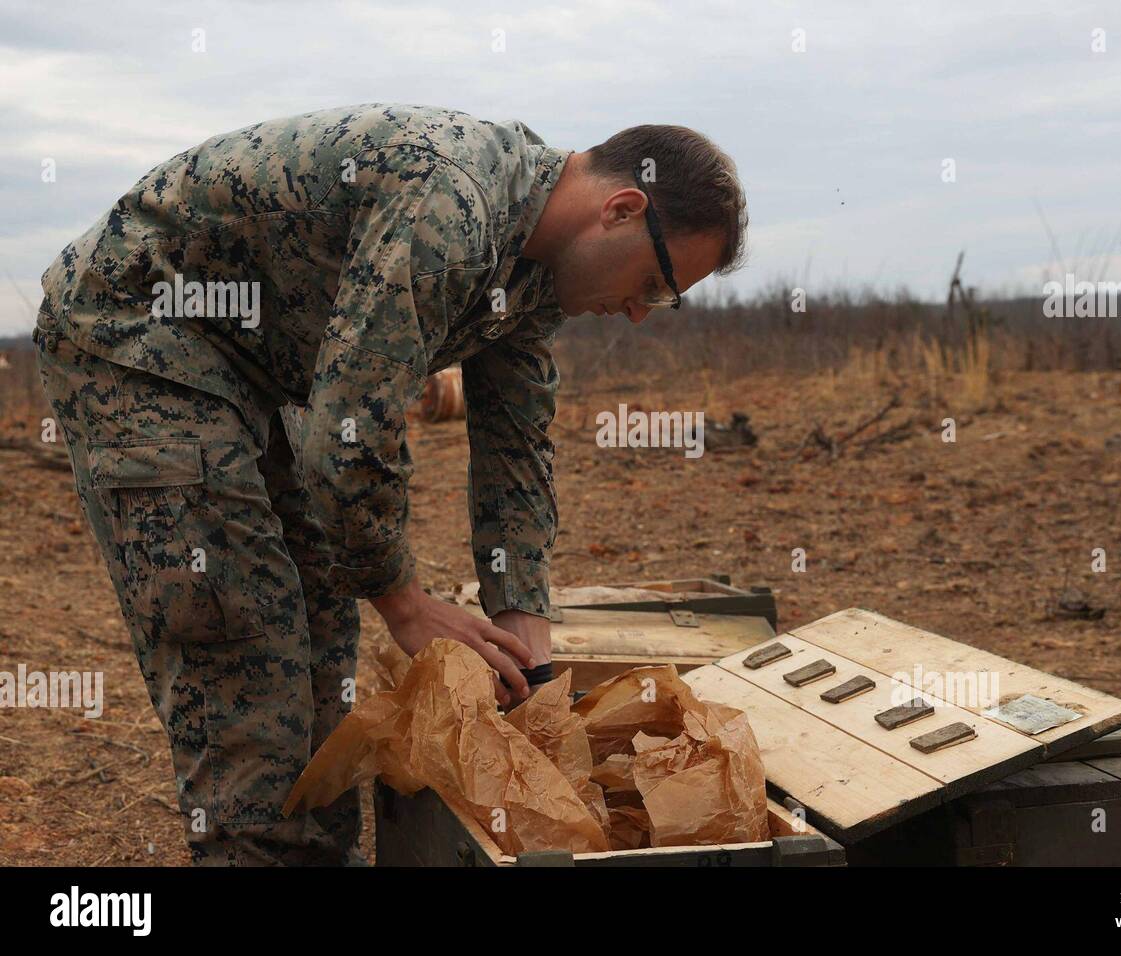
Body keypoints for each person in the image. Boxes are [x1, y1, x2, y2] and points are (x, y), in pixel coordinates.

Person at [33, 103, 747, 865]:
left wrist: (529, 648)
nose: (640, 313)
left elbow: (516, 449)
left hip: (257, 371)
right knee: (243, 645)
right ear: (621, 208)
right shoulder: (451, 204)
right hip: (139, 336)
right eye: (655, 282)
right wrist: (405, 604)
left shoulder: (535, 272)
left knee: (323, 633)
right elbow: (354, 429)